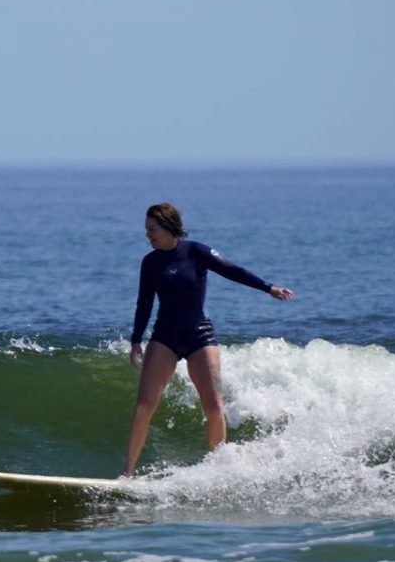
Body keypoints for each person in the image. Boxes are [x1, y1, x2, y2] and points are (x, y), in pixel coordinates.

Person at [122, 203, 294, 476]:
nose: (148, 236)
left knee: (214, 404)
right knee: (144, 404)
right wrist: (135, 341)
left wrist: (268, 288)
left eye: (152, 230)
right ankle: (128, 472)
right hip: (165, 335)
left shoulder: (196, 252)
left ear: (168, 226)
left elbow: (232, 270)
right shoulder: (151, 262)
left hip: (199, 334)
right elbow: (144, 303)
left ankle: (219, 470)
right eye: (147, 231)